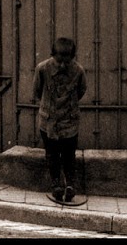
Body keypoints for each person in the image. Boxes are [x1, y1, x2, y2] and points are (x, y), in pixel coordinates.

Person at [33, 36, 86, 203]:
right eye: (58, 62)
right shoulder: (42, 69)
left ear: (73, 57)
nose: (63, 65)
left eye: (67, 62)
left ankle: (70, 186)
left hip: (69, 123)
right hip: (48, 122)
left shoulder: (79, 71)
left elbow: (81, 91)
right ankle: (56, 185)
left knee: (69, 155)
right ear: (52, 55)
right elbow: (37, 91)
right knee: (52, 155)